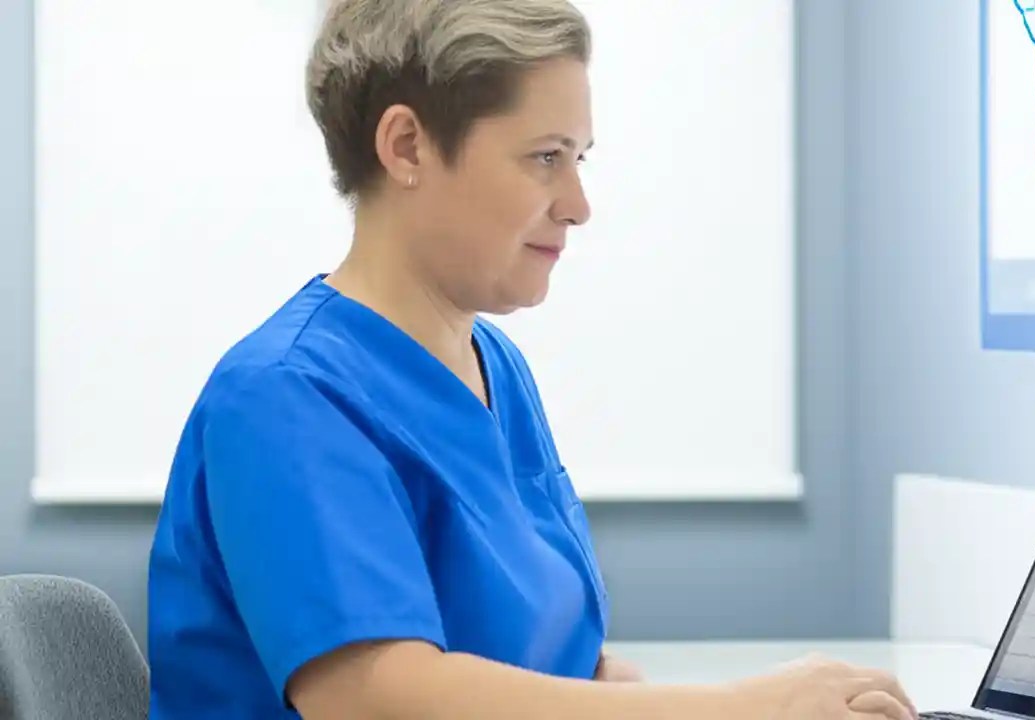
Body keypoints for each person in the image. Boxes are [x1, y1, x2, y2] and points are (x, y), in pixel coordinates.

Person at [146, 1, 918, 718]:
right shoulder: (287, 396)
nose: (579, 202)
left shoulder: (493, 367)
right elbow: (374, 698)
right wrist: (738, 710)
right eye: (546, 157)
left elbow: (550, 659)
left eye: (579, 157)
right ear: (406, 145)